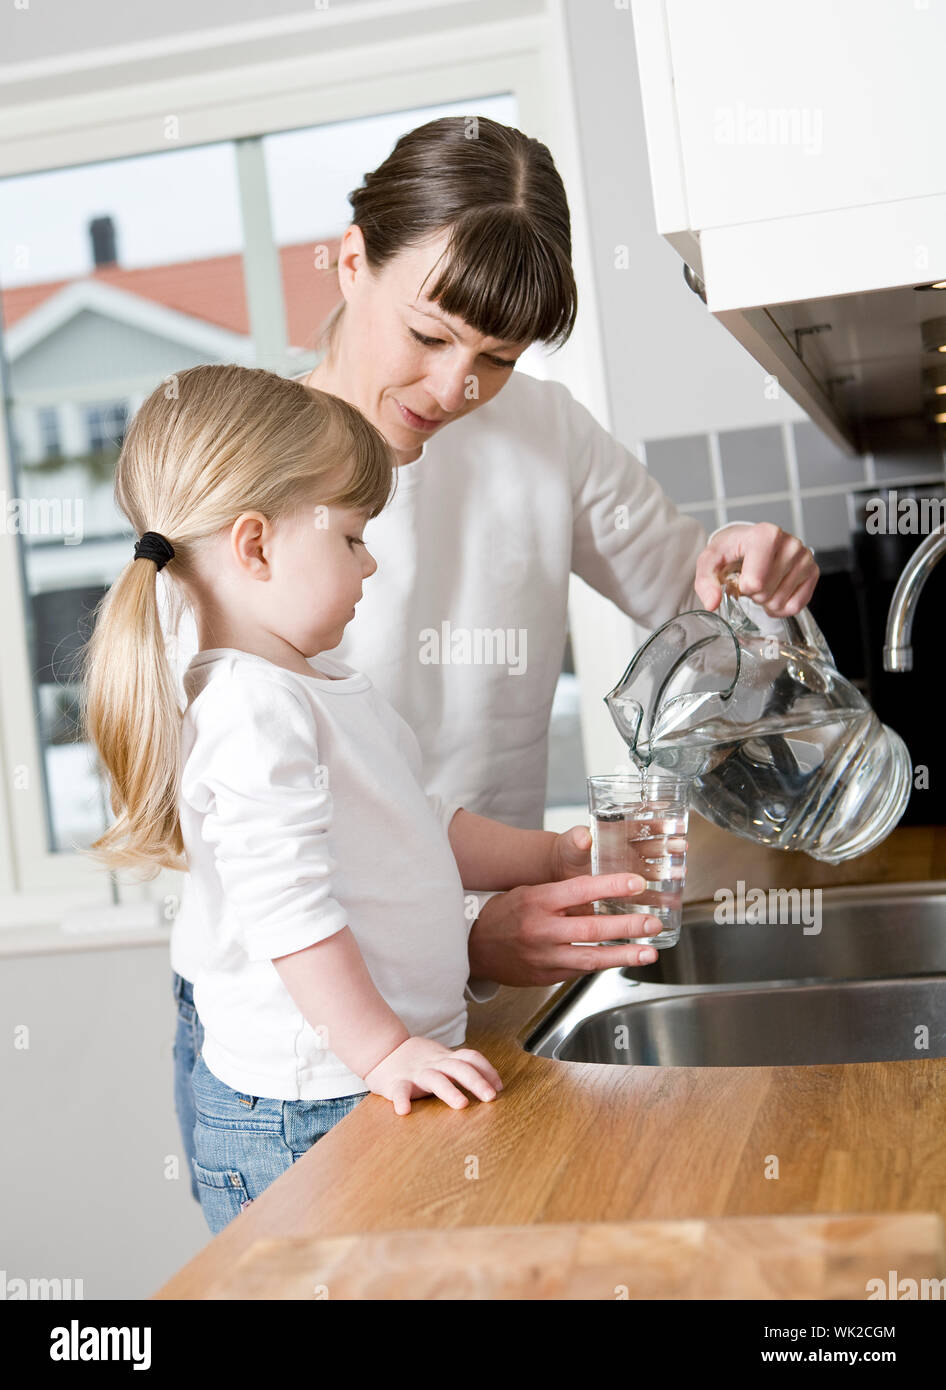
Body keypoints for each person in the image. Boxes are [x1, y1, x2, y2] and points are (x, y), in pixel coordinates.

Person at [162, 115, 819, 1203]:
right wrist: (467, 933)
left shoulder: (546, 434)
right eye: (429, 335)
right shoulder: (242, 481)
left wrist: (750, 578)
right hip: (306, 1029)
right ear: (350, 259)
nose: (457, 388)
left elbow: (707, 634)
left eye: (499, 359)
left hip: (455, 991)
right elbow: (247, 839)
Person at [79, 364, 664, 1234]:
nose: (370, 559)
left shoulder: (317, 687)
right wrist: (383, 1047)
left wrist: (549, 855)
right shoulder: (252, 708)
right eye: (351, 537)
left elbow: (417, 827)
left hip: (365, 1078)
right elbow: (288, 908)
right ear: (255, 546)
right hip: (309, 1108)